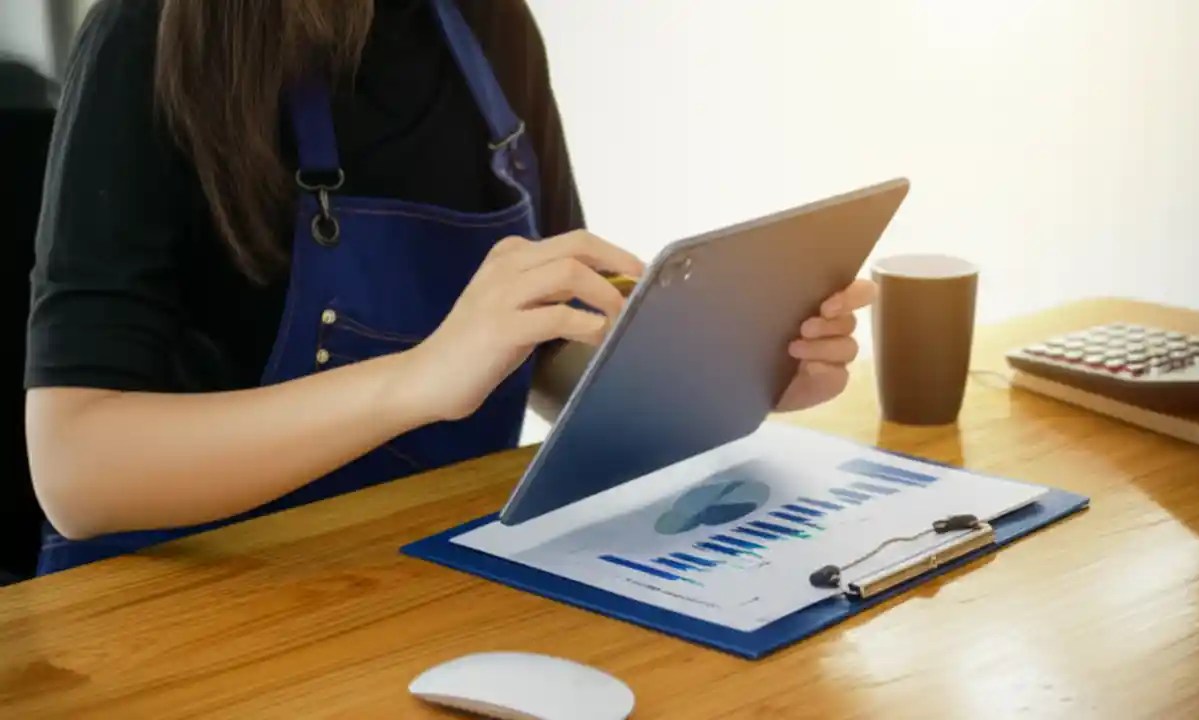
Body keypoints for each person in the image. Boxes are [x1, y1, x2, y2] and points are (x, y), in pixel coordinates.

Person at [24, 0, 876, 576]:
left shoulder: (488, 23)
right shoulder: (148, 33)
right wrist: (413, 380)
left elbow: (547, 340)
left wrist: (732, 367)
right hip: (188, 609)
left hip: (431, 573)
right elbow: (77, 471)